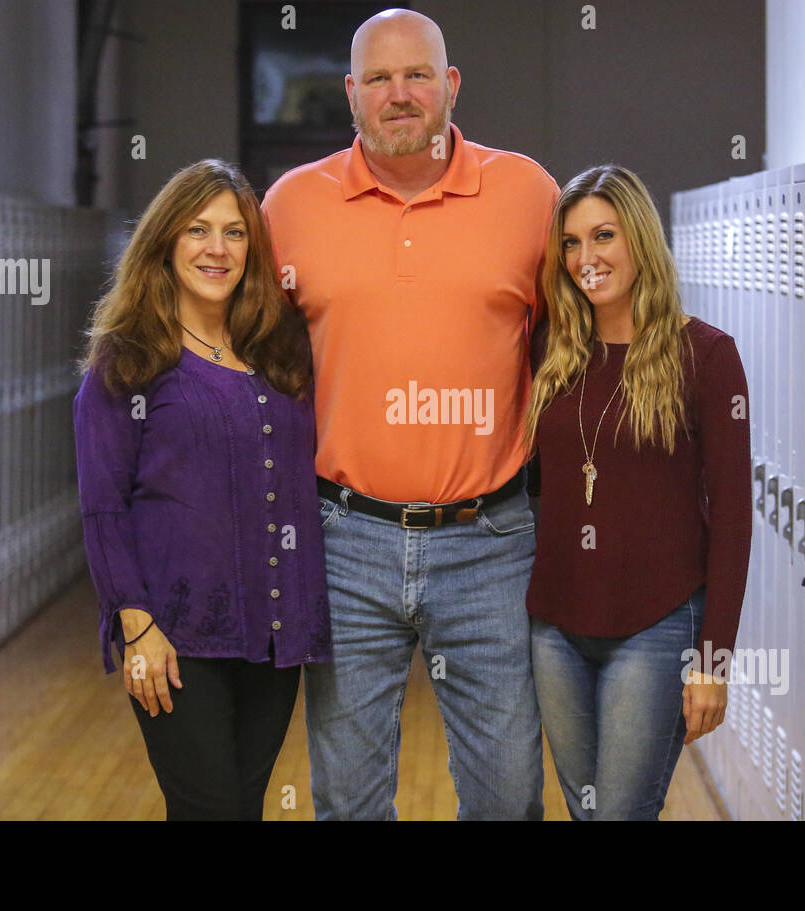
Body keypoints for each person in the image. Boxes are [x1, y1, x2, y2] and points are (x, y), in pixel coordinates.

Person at [261, 8, 559, 819]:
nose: (401, 95)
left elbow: (581, 350)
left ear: (451, 85)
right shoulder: (291, 206)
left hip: (491, 543)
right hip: (343, 540)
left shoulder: (529, 193)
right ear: (351, 95)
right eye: (381, 79)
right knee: (348, 801)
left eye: (418, 74)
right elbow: (247, 362)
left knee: (507, 796)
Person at [72, 159, 330, 820]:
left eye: (235, 232)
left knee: (240, 807)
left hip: (273, 634)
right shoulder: (127, 360)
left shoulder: (278, 352)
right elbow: (104, 506)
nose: (218, 249)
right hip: (174, 638)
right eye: (198, 230)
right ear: (165, 241)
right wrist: (137, 626)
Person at [524, 164, 752, 820]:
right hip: (556, 627)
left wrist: (713, 659)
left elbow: (734, 519)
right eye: (571, 243)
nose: (586, 258)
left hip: (656, 624)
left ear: (640, 241)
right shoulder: (554, 351)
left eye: (604, 236)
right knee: (586, 808)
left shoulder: (707, 356)